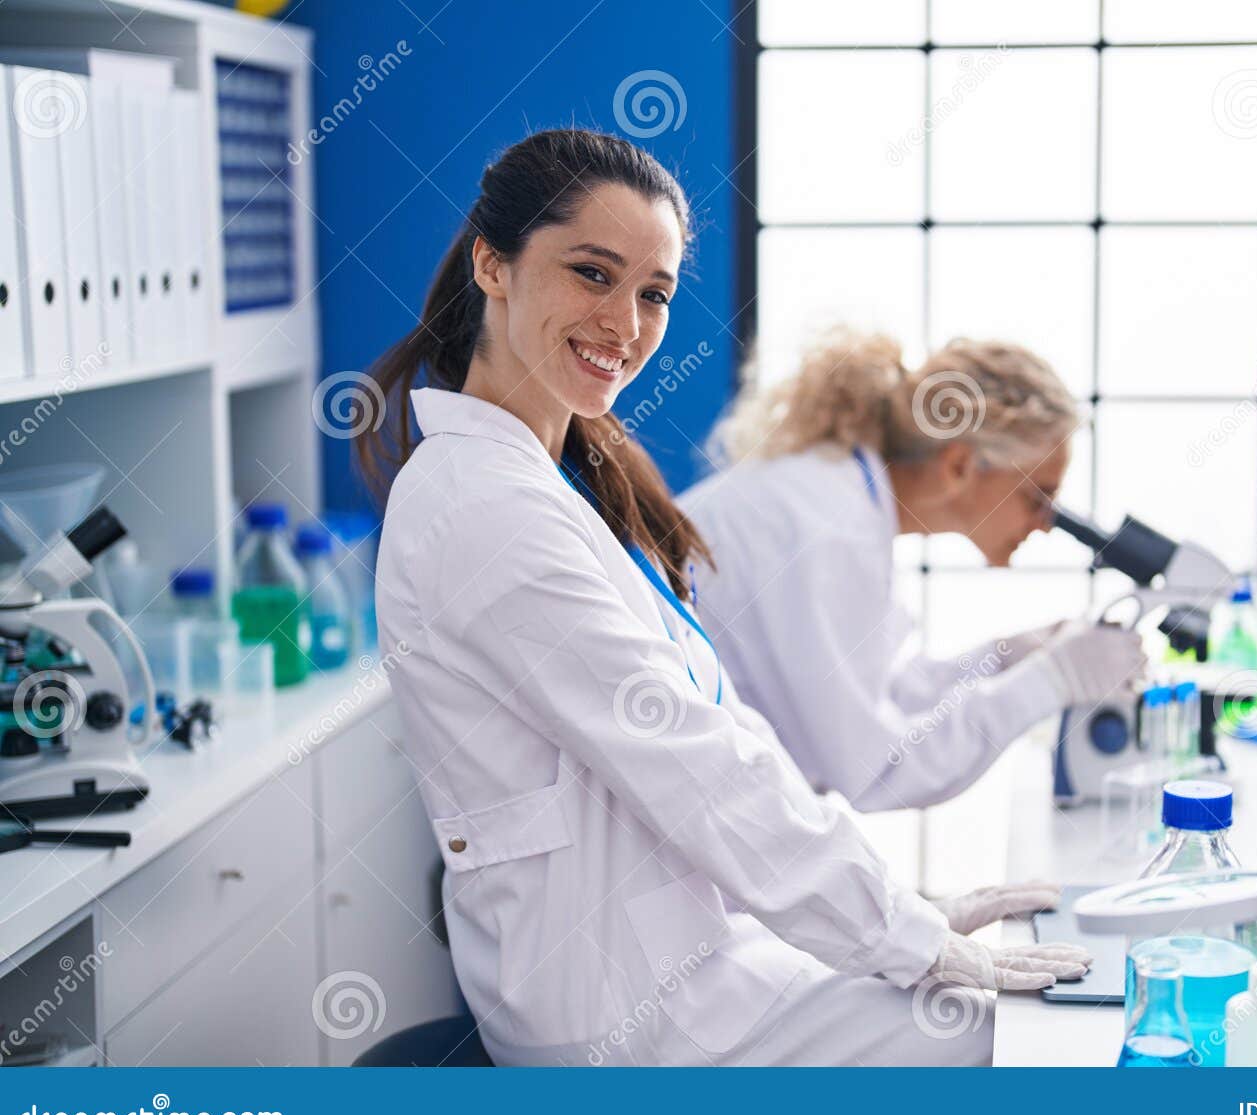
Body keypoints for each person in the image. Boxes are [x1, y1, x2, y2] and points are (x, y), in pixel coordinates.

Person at [360, 129, 1089, 1066]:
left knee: (1021, 1020)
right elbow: (697, 765)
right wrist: (906, 935)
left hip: (705, 960)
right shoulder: (485, 508)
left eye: (654, 294)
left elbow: (731, 734)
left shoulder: (548, 486)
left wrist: (905, 915)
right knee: (1022, 1044)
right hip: (632, 1015)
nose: (625, 324)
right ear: (491, 266)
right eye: (593, 273)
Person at [679, 333, 1146, 812]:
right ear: (960, 466)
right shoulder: (829, 529)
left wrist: (1003, 658)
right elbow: (878, 772)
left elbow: (878, 696)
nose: (1044, 525)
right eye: (1038, 498)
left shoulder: (841, 495)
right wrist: (1050, 680)